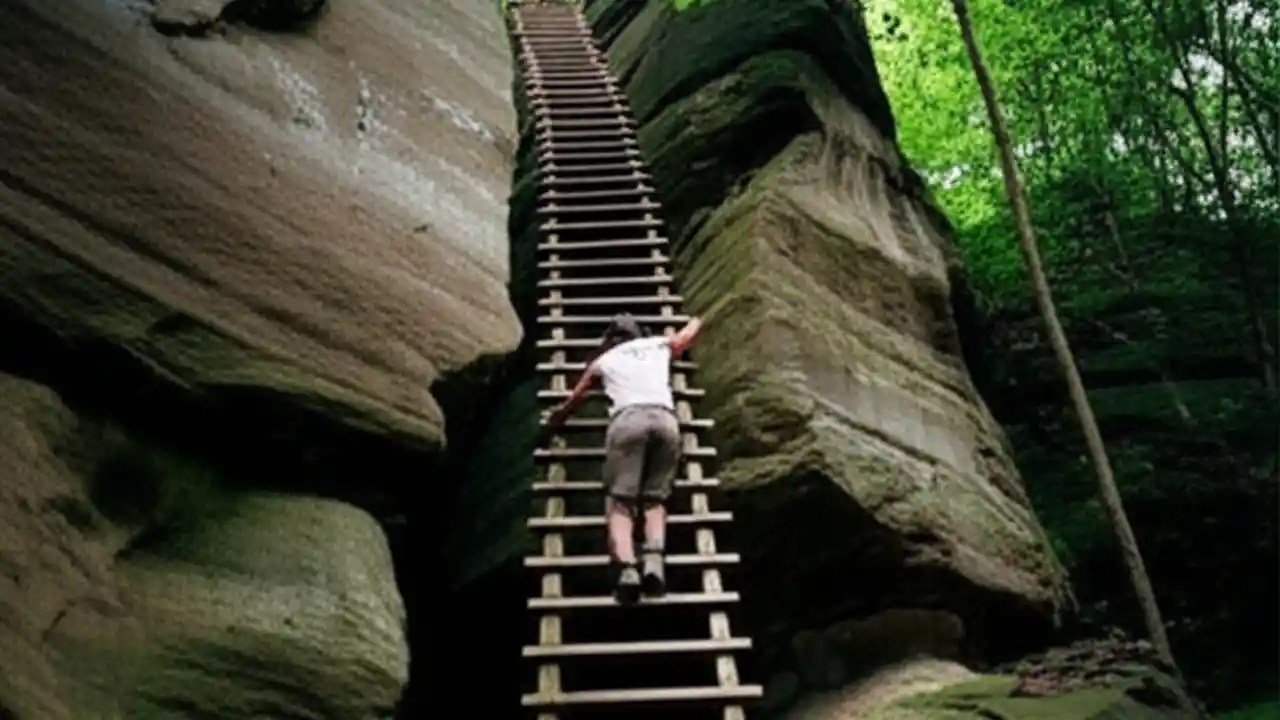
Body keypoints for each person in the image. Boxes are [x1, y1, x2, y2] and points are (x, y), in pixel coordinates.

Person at [544, 312, 704, 603]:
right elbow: (685, 337)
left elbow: (576, 398)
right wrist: (696, 319)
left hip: (628, 422)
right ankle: (654, 562)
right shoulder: (658, 345)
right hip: (666, 420)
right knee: (655, 499)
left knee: (621, 503)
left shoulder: (604, 360)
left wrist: (558, 418)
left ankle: (628, 568)